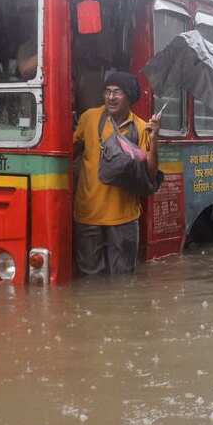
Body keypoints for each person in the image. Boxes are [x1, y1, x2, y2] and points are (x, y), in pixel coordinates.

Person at [72, 71, 160, 275]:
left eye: (117, 92)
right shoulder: (89, 118)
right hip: (88, 215)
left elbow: (151, 172)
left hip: (124, 219)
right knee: (89, 278)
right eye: (108, 91)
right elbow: (71, 152)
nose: (111, 97)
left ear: (128, 97)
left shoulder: (140, 127)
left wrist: (154, 138)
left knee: (123, 281)